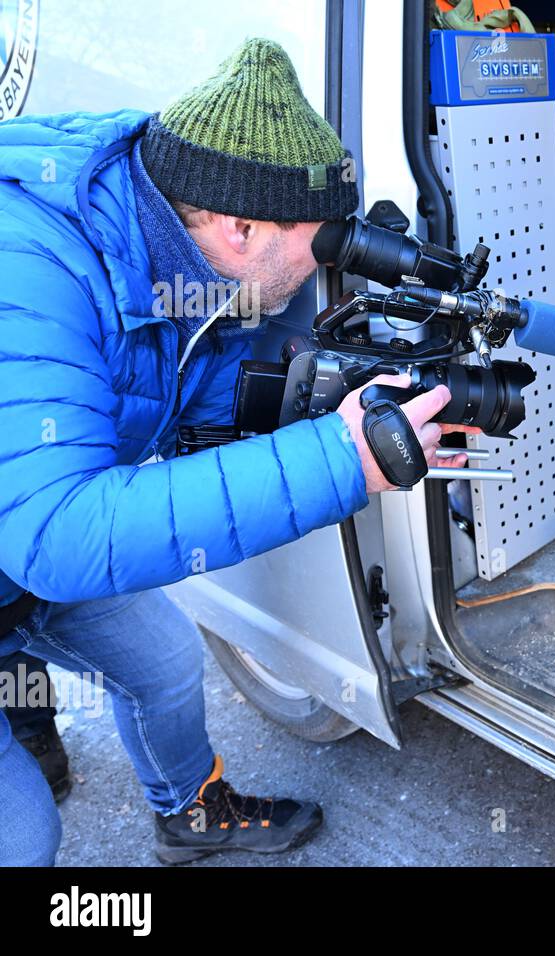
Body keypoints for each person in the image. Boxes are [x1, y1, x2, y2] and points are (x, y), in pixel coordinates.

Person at [0, 38, 473, 865]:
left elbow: (192, 395)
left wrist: (352, 401)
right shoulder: (31, 264)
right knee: (25, 835)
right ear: (241, 224)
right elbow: (55, 534)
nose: (323, 265)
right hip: (31, 537)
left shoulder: (174, 246)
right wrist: (337, 460)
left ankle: (187, 811)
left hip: (16, 558)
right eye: (318, 244)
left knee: (165, 660)